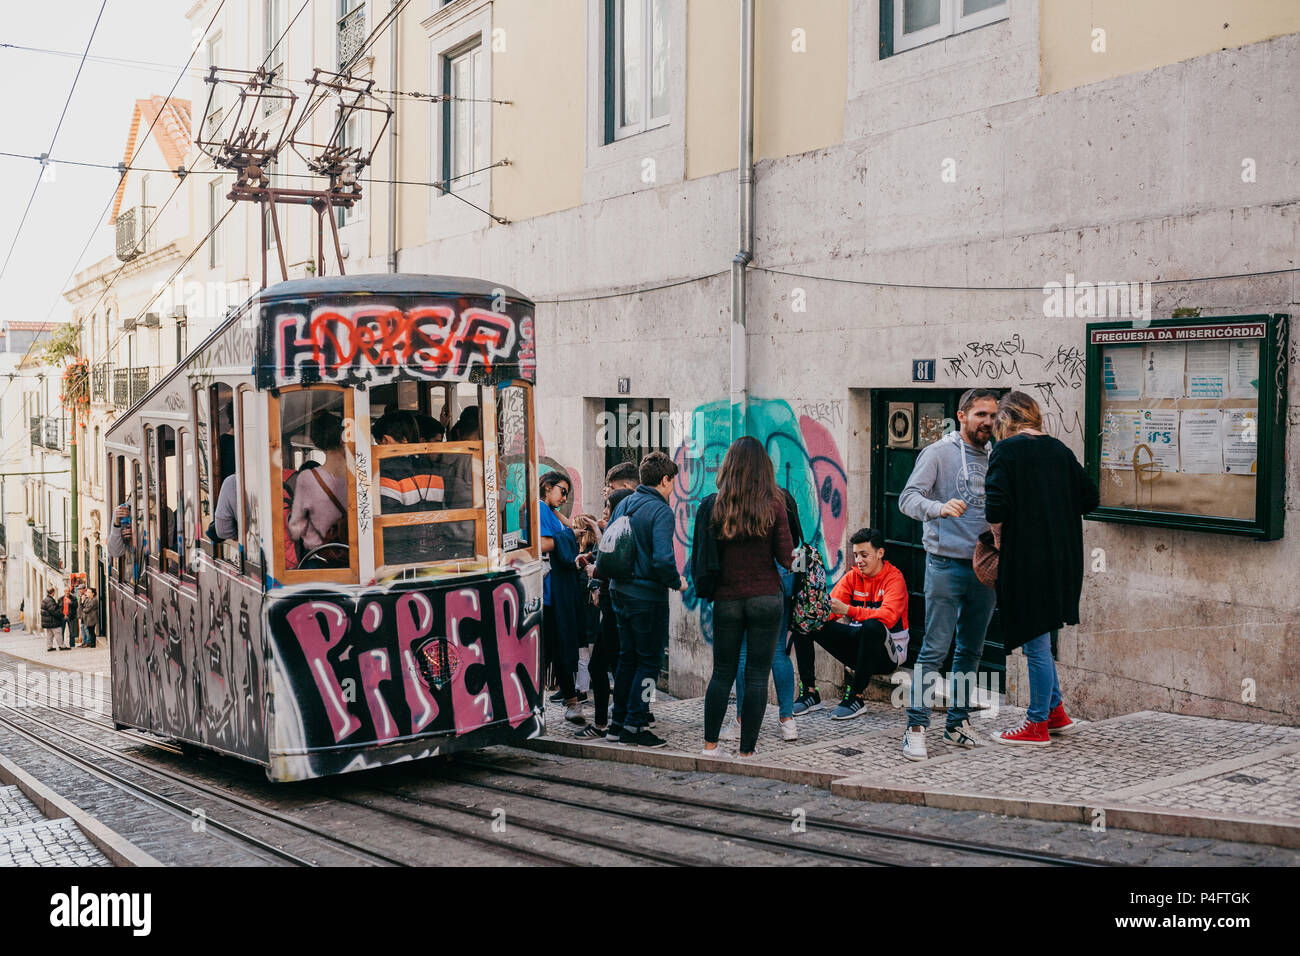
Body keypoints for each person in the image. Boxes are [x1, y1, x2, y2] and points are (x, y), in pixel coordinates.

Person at [985, 391, 1098, 746]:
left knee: (1035, 640)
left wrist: (1002, 536)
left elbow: (995, 509)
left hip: (1026, 559)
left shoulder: (1006, 452)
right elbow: (1090, 498)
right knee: (1044, 636)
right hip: (1063, 558)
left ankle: (1036, 724)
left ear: (1006, 420)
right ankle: (1056, 712)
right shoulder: (1060, 451)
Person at [895, 387, 1000, 759]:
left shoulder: (996, 456)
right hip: (944, 564)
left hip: (984, 568)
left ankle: (957, 724)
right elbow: (907, 499)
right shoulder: (938, 453)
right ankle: (916, 727)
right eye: (980, 415)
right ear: (962, 416)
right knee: (935, 648)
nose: (987, 421)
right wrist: (939, 508)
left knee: (971, 649)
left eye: (992, 415)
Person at [698, 437, 793, 758]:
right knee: (756, 675)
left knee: (722, 673)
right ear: (763, 468)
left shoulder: (716, 505)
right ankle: (746, 752)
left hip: (727, 598)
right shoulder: (774, 504)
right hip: (766, 597)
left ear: (730, 467)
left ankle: (710, 746)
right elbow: (786, 557)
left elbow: (707, 557)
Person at [791, 528, 910, 719]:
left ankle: (856, 696)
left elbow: (887, 617)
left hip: (887, 654)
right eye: (856, 555)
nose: (858, 560)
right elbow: (828, 613)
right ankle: (810, 693)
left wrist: (848, 610)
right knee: (805, 621)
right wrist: (813, 618)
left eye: (864, 555)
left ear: (880, 553)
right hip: (858, 648)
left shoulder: (894, 578)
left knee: (872, 626)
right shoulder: (852, 577)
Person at [607, 451, 682, 748]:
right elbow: (663, 560)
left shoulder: (624, 502)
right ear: (664, 480)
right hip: (647, 597)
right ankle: (636, 725)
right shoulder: (661, 511)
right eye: (673, 481)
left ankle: (616, 723)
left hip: (618, 592)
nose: (673, 487)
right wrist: (677, 582)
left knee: (627, 659)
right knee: (649, 663)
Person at [724, 487, 803, 742]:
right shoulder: (784, 498)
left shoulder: (756, 502)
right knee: (779, 652)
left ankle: (741, 720)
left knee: (745, 653)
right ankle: (787, 721)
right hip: (785, 583)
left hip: (760, 584)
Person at [573, 489, 633, 739]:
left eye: (608, 506)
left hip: (614, 608)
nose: (605, 512)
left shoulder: (621, 533)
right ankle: (619, 719)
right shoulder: (622, 531)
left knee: (603, 666)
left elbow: (609, 564)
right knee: (616, 666)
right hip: (613, 607)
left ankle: (606, 724)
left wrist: (595, 573)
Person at [540, 471, 585, 725]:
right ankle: (564, 703)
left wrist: (562, 519)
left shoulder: (549, 511)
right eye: (562, 490)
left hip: (559, 591)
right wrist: (569, 536)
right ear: (547, 487)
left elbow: (567, 530)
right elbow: (543, 543)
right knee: (551, 650)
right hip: (549, 593)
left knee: (562, 647)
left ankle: (571, 702)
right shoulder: (538, 509)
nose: (565, 497)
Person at [287, 413, 349, 569]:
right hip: (360, 559)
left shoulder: (308, 479)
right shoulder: (360, 476)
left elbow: (296, 529)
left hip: (324, 559)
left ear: (317, 443)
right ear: (343, 439)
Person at [41, 587, 62, 652]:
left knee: (50, 635)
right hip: (52, 621)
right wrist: (60, 614)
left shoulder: (45, 599)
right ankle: (62, 646)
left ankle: (49, 647)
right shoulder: (50, 600)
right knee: (58, 632)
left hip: (48, 621)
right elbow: (53, 611)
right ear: (53, 593)